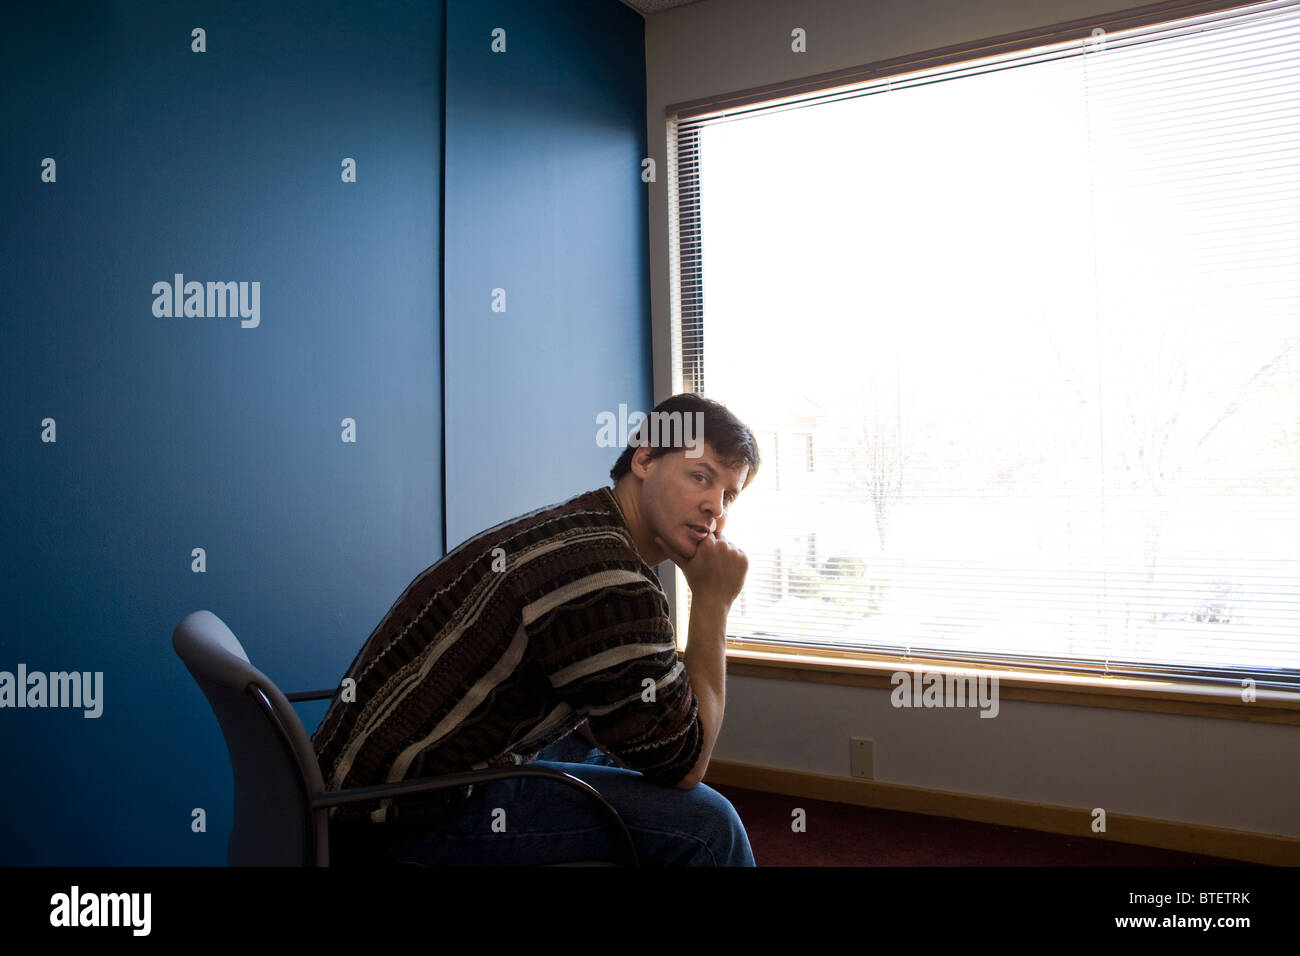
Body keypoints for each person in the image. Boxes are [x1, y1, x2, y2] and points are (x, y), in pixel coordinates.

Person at [314, 392, 761, 866]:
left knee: (607, 755)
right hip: (395, 819)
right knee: (708, 824)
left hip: (354, 787)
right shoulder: (607, 578)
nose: (716, 507)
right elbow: (685, 763)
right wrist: (712, 602)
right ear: (646, 459)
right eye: (700, 477)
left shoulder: (585, 529)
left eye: (729, 494)